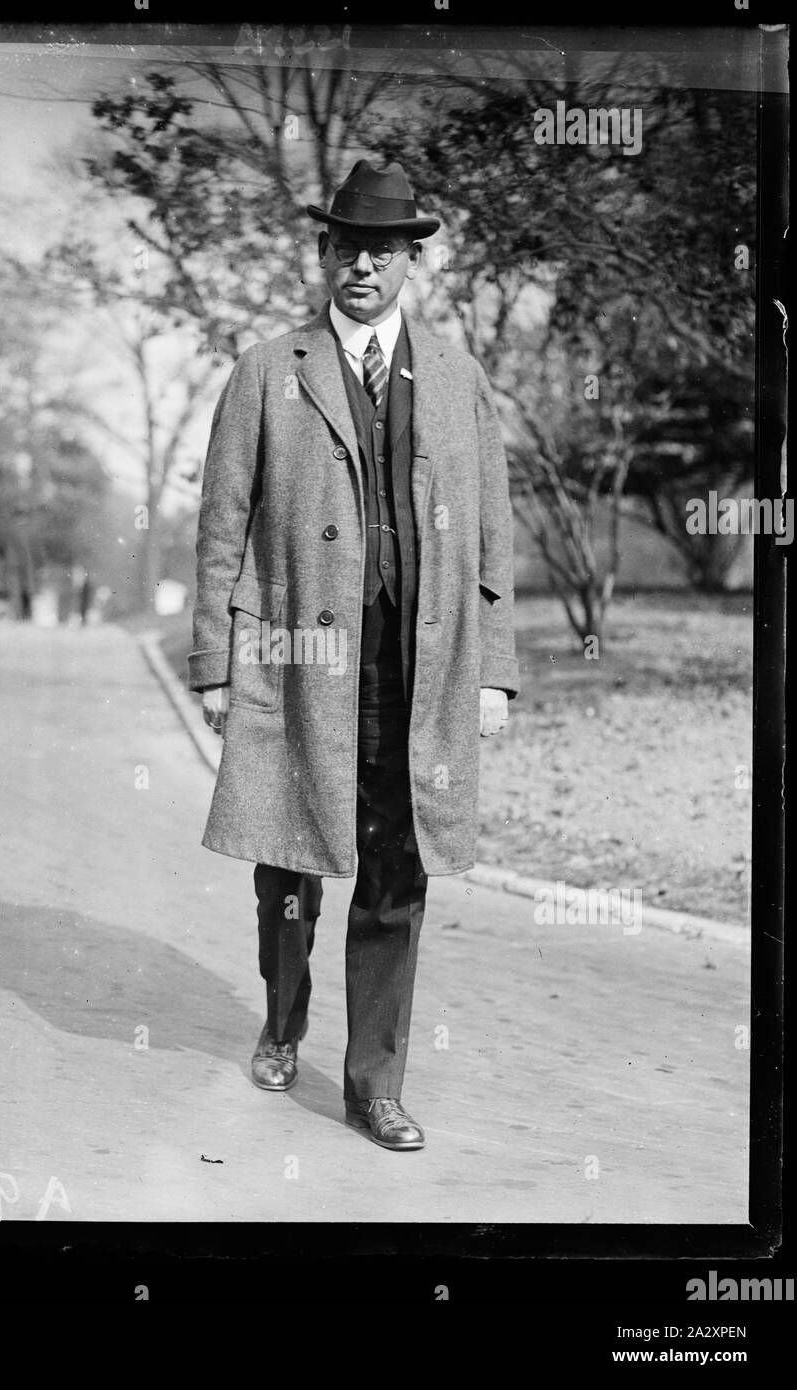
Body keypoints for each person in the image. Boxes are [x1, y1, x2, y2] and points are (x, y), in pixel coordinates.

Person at [188, 160, 518, 1150]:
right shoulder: (266, 369)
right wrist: (214, 662)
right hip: (296, 665)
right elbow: (218, 526)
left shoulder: (458, 381)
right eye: (345, 246)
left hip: (415, 676)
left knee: (394, 873)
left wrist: (493, 671)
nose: (362, 265)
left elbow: (493, 540)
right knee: (287, 868)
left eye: (382, 249)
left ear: (411, 258)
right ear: (324, 253)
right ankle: (282, 1018)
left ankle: (372, 1081)